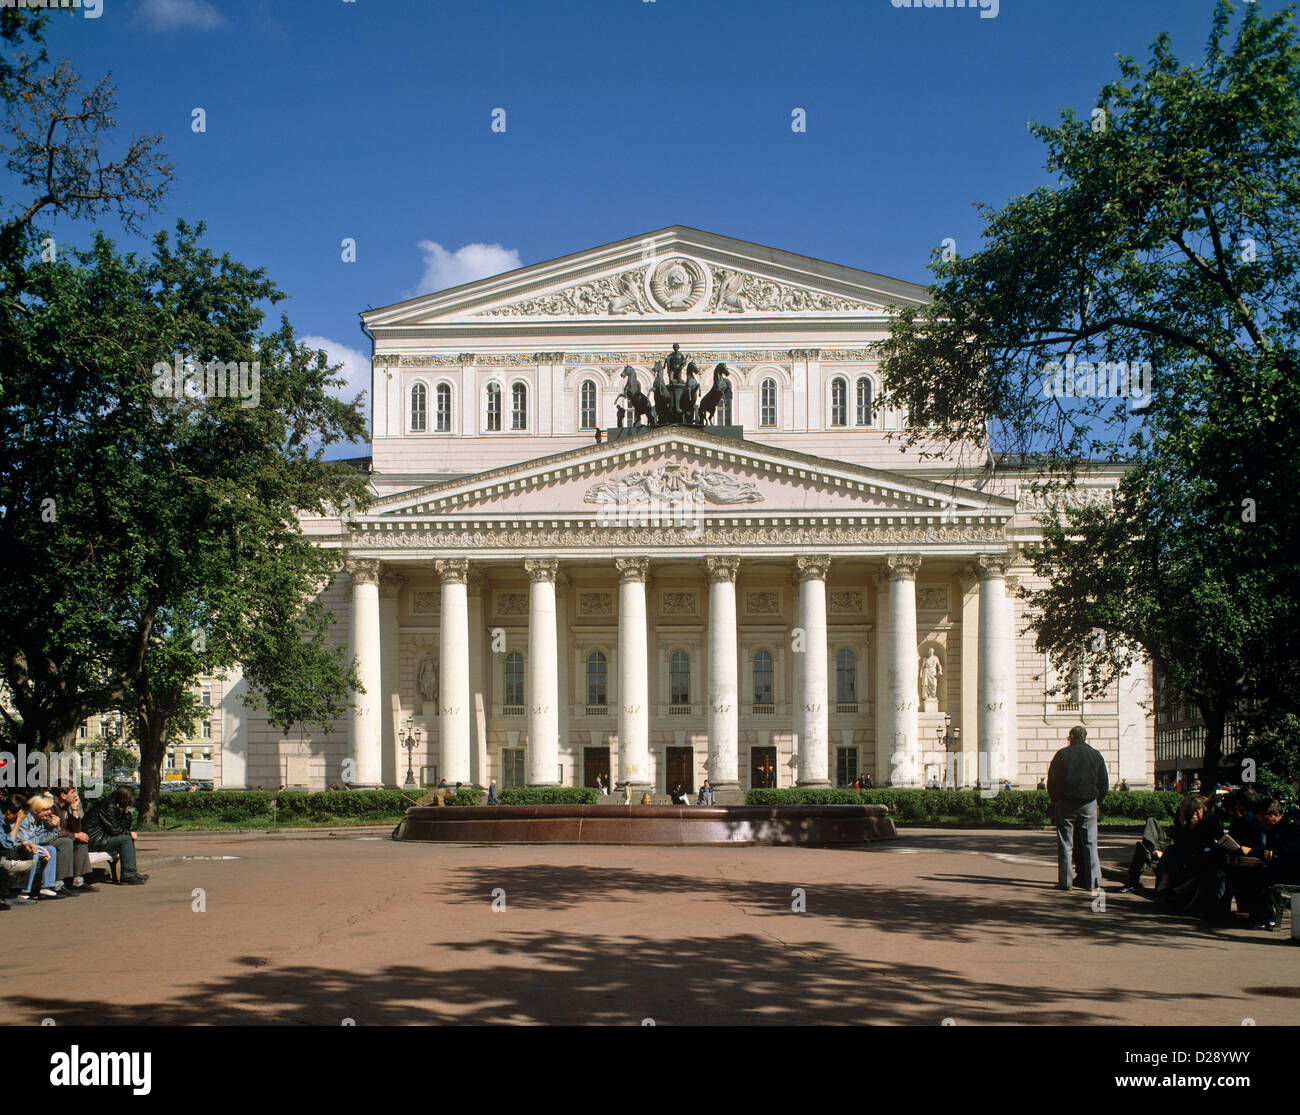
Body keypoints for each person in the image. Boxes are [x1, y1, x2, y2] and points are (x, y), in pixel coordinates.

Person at [1047, 725, 1109, 892]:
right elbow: (1104, 781)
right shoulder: (1096, 755)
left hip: (1066, 803)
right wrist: (1098, 801)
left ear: (1072, 736)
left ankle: (1065, 882)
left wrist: (1056, 800)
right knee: (1090, 843)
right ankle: (1093, 882)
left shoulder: (1062, 755)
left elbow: (1052, 780)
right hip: (1088, 803)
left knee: (1065, 843)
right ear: (1085, 737)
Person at [83, 786, 148, 885]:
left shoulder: (113, 805)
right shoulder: (108, 806)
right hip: (93, 839)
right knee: (126, 839)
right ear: (125, 799)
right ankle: (128, 875)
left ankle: (131, 873)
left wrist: (126, 813)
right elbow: (114, 829)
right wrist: (129, 833)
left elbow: (121, 827)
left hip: (100, 837)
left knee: (126, 838)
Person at [49, 786, 98, 893]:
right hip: (47, 839)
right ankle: (58, 884)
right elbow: (55, 831)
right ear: (63, 795)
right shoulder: (51, 806)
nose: (75, 795)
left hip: (61, 838)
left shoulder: (66, 807)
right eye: (72, 792)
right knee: (66, 842)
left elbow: (76, 829)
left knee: (81, 842)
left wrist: (74, 809)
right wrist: (75, 835)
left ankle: (77, 882)